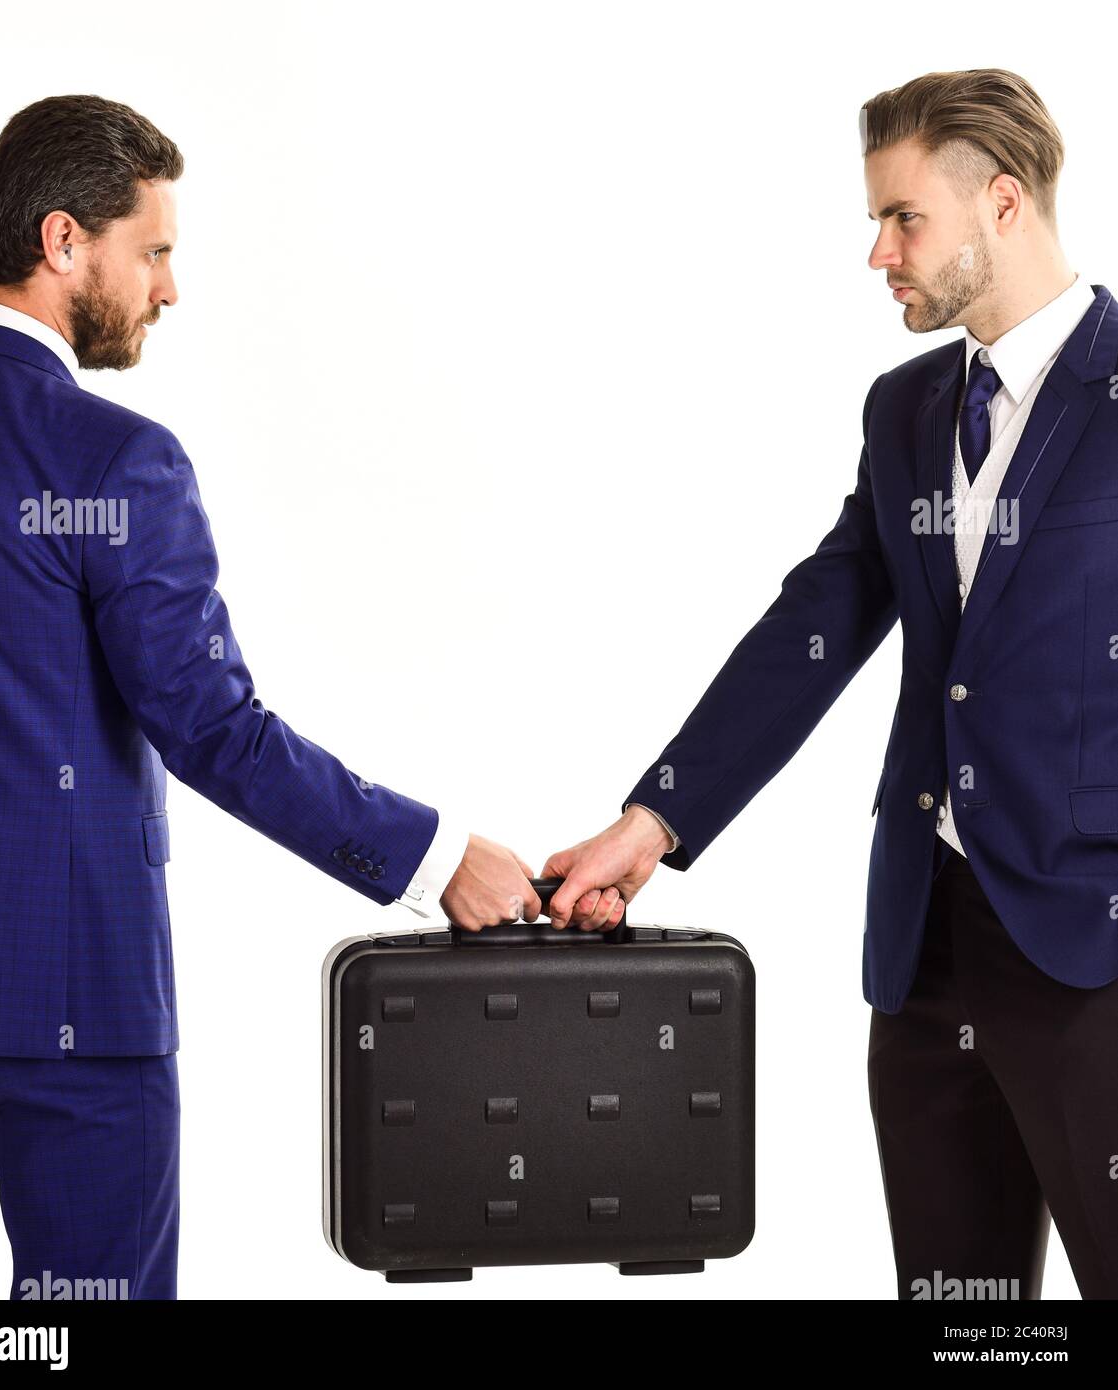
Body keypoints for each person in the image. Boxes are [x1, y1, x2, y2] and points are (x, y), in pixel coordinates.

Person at [0, 94, 542, 1300]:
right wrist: (434, 854)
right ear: (62, 243)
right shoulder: (114, 458)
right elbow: (210, 726)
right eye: (151, 250)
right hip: (72, 994)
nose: (168, 288)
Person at [544, 68, 1118, 1300]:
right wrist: (653, 820)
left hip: (1093, 950)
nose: (878, 253)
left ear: (1001, 203)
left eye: (903, 218)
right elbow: (821, 618)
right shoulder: (907, 411)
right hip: (926, 950)